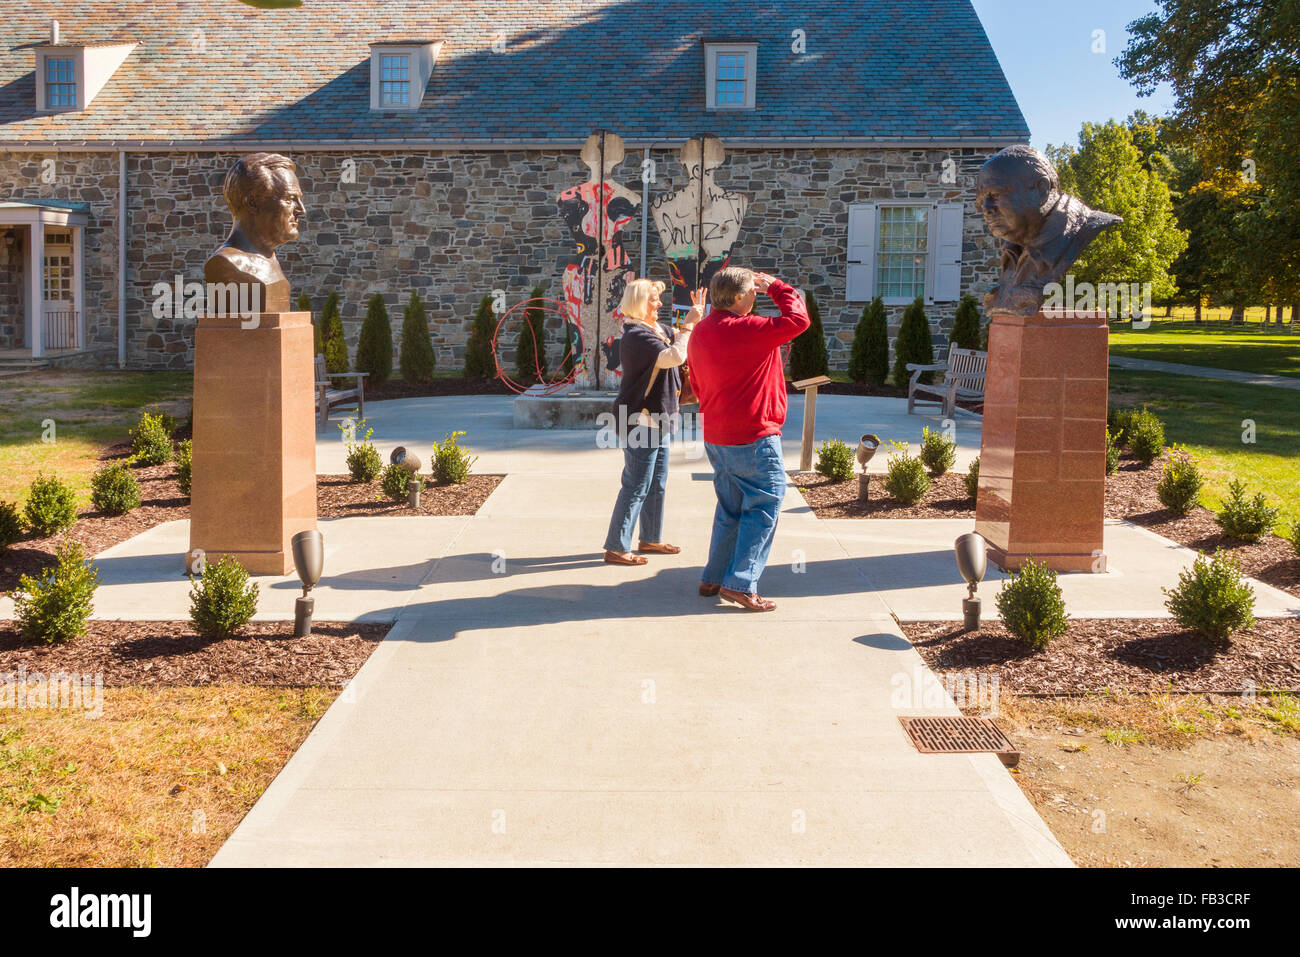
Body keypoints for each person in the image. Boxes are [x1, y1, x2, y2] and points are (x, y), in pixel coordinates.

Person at [686, 267, 809, 611]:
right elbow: (798, 320)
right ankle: (740, 583)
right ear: (739, 297)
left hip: (716, 434)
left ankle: (714, 576)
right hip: (753, 435)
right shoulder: (749, 329)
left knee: (731, 509)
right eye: (753, 292)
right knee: (765, 506)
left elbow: (695, 383)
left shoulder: (701, 331)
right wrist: (777, 286)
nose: (757, 296)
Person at [602, 279, 707, 566]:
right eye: (653, 299)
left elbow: (689, 343)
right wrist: (687, 325)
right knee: (636, 484)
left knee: (657, 483)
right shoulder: (635, 336)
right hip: (640, 418)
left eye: (658, 299)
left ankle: (650, 538)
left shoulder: (657, 330)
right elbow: (674, 356)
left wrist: (697, 316)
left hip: (659, 417)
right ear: (638, 302)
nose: (659, 303)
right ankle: (616, 546)